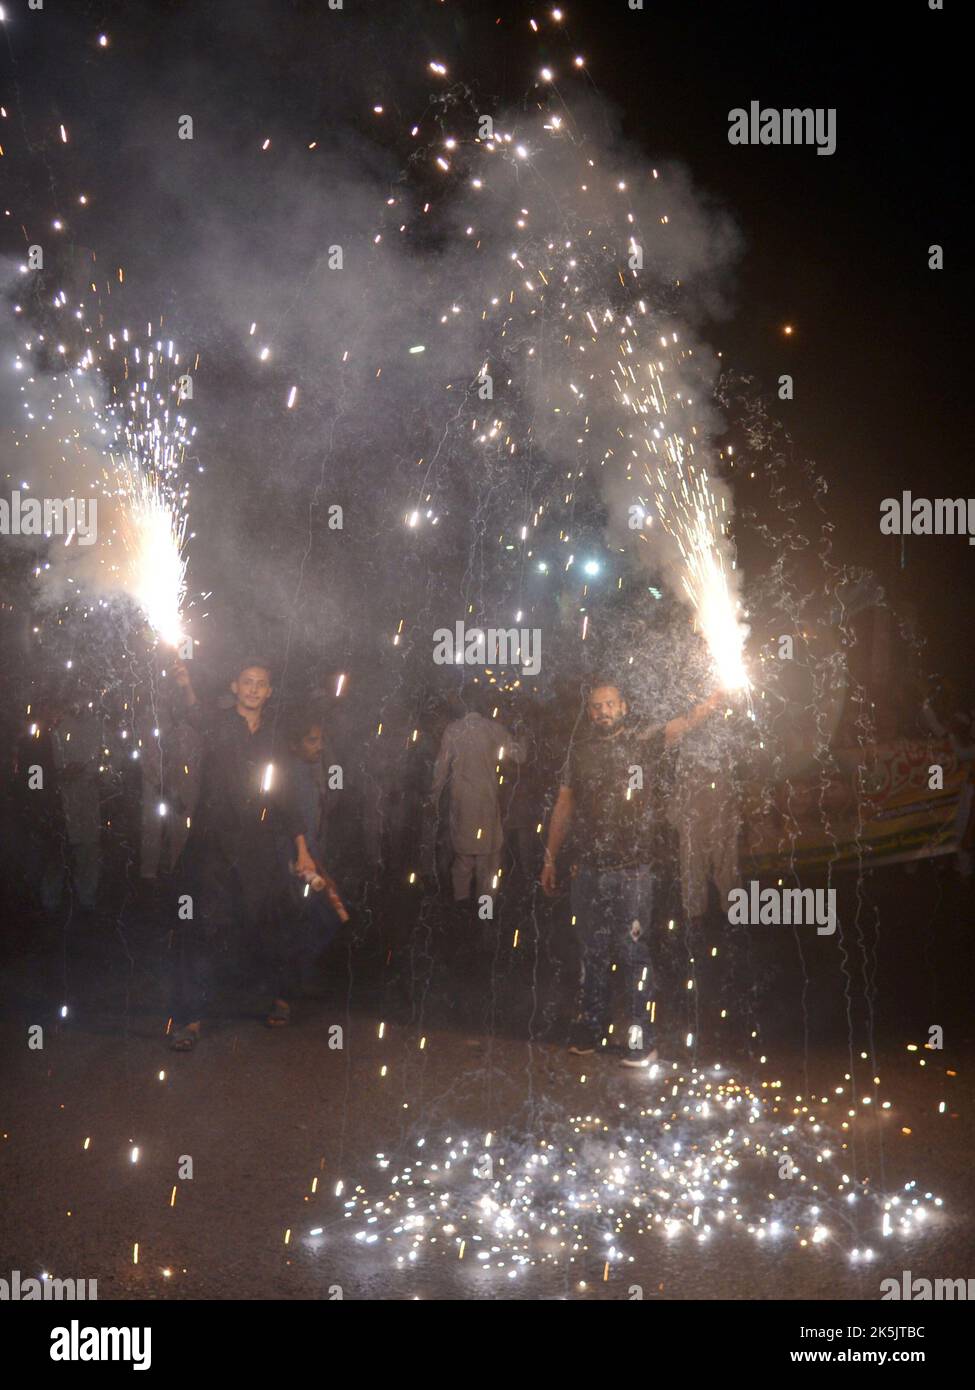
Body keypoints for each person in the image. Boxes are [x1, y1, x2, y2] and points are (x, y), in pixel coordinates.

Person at [541, 679, 723, 1066]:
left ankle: (642, 1039)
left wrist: (715, 698)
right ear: (589, 712)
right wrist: (549, 858)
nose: (603, 711)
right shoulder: (581, 753)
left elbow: (684, 723)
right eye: (596, 706)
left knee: (632, 951)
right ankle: (591, 1029)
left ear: (624, 707)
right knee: (592, 953)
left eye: (609, 704)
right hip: (588, 871)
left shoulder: (643, 744)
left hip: (633, 873)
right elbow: (563, 806)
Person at [167, 658, 314, 1050]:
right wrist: (184, 681)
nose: (253, 688)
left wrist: (303, 850)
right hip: (213, 844)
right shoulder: (217, 724)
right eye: (246, 681)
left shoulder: (273, 738)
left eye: (261, 683)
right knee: (202, 927)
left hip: (259, 846)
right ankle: (190, 1019)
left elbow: (285, 796)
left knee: (270, 921)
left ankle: (281, 997)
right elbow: (192, 712)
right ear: (235, 687)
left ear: (268, 692)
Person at [429, 686, 525, 907]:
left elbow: (440, 769)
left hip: (462, 802)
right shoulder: (493, 729)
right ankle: (484, 910)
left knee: (463, 858)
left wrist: (433, 797)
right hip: (486, 801)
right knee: (487, 860)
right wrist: (523, 735)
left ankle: (461, 905)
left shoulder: (453, 730)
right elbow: (519, 756)